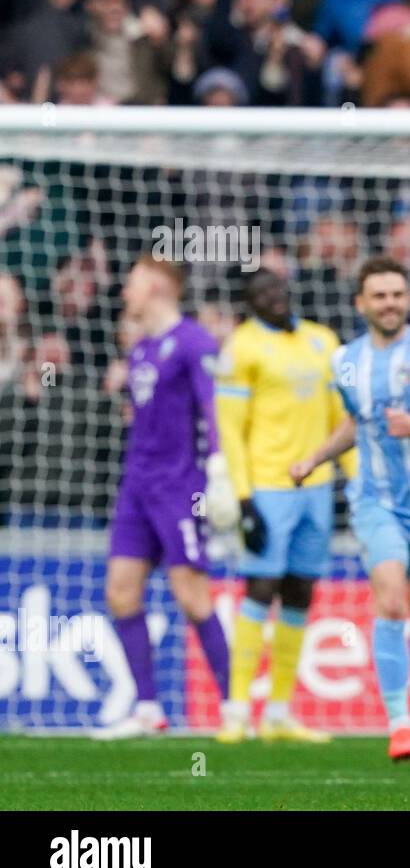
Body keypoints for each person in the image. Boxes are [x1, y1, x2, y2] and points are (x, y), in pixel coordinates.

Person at [290, 258, 410, 762]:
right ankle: (398, 723)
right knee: (391, 602)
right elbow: (358, 424)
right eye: (379, 295)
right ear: (361, 304)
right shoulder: (346, 361)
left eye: (397, 294)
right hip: (373, 499)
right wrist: (313, 458)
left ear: (407, 299)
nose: (390, 303)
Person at [95, 256, 240, 738]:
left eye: (132, 283)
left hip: (180, 486)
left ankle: (233, 705)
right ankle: (148, 708)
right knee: (120, 591)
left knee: (192, 596)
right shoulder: (141, 349)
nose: (125, 294)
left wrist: (218, 471)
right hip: (138, 485)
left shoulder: (194, 340)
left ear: (157, 286)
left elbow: (210, 404)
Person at [215, 270, 352, 744]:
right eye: (260, 294)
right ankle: (235, 711)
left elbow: (343, 421)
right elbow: (229, 430)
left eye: (276, 287)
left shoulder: (323, 341)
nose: (273, 296)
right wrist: (243, 497)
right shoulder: (241, 348)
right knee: (261, 586)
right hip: (268, 486)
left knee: (299, 591)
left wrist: (354, 481)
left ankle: (278, 713)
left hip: (317, 487)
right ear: (248, 304)